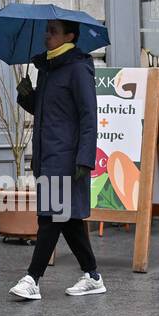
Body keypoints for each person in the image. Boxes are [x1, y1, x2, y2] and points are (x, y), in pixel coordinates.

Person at [8, 19, 105, 300]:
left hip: (67, 157)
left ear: (69, 36)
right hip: (47, 154)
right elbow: (46, 111)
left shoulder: (77, 68)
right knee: (68, 219)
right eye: (47, 30)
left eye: (53, 31)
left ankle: (32, 279)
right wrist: (27, 95)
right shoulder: (48, 69)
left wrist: (85, 158)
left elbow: (89, 117)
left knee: (49, 217)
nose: (46, 35)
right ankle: (93, 276)